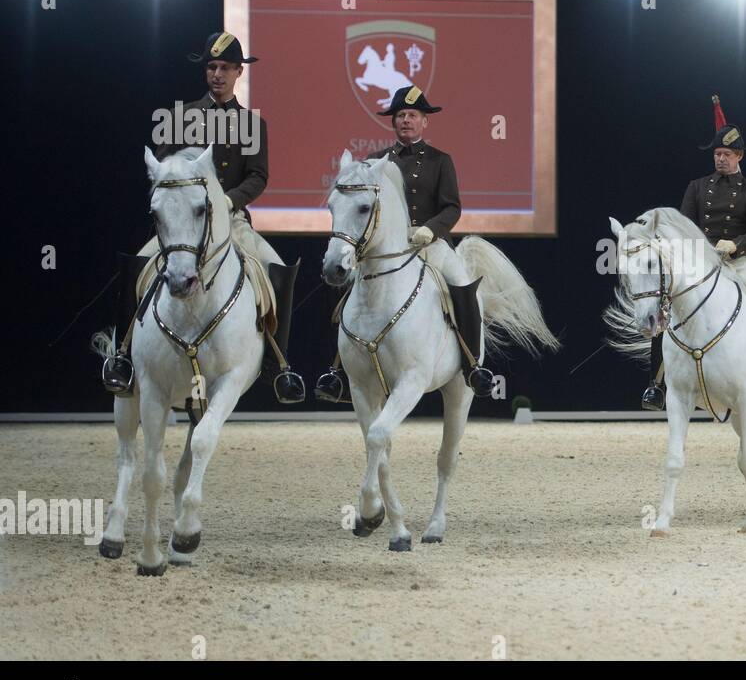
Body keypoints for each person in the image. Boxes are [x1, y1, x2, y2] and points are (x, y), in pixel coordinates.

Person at [101, 31, 304, 404]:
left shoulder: (253, 125)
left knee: (279, 270)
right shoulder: (182, 115)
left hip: (231, 220)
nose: (218, 75)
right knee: (138, 265)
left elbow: (258, 176)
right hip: (186, 223)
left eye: (226, 67)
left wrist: (228, 201)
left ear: (238, 73)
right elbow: (161, 165)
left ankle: (280, 365)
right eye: (212, 67)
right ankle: (123, 357)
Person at [315, 84, 494, 402]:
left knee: (462, 286)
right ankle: (339, 369)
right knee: (346, 287)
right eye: (400, 115)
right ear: (392, 121)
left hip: (430, 244)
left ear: (425, 121)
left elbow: (452, 207)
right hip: (385, 249)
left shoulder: (441, 160)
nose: (406, 120)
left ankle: (472, 365)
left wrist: (430, 230)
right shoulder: (375, 161)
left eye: (412, 115)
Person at [640, 94, 746, 410]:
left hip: (740, 263)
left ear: (739, 157)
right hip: (702, 264)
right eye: (717, 154)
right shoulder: (696, 187)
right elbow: (683, 226)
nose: (720, 159)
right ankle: (656, 384)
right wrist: (701, 250)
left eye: (726, 154)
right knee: (667, 301)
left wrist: (737, 245)